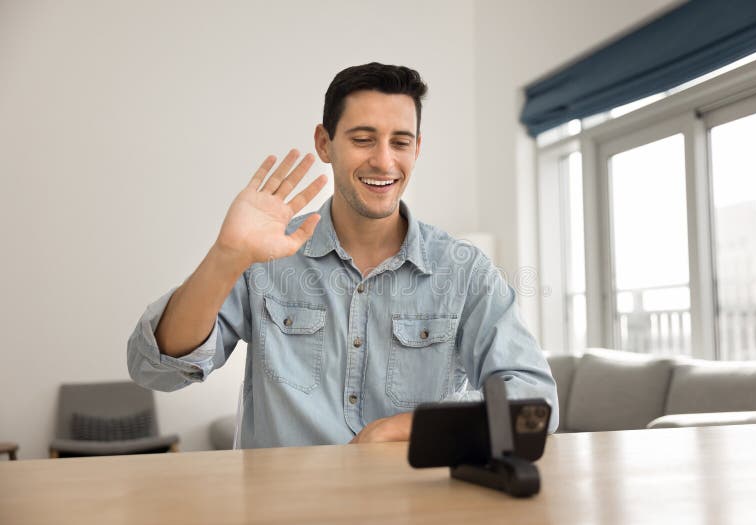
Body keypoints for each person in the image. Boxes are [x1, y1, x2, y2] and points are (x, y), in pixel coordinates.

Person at [127, 62, 558, 448]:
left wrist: (414, 427)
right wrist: (225, 256)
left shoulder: (465, 271)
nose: (384, 161)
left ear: (417, 148)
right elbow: (155, 370)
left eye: (400, 142)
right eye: (363, 139)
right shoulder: (266, 255)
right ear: (324, 143)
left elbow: (536, 405)